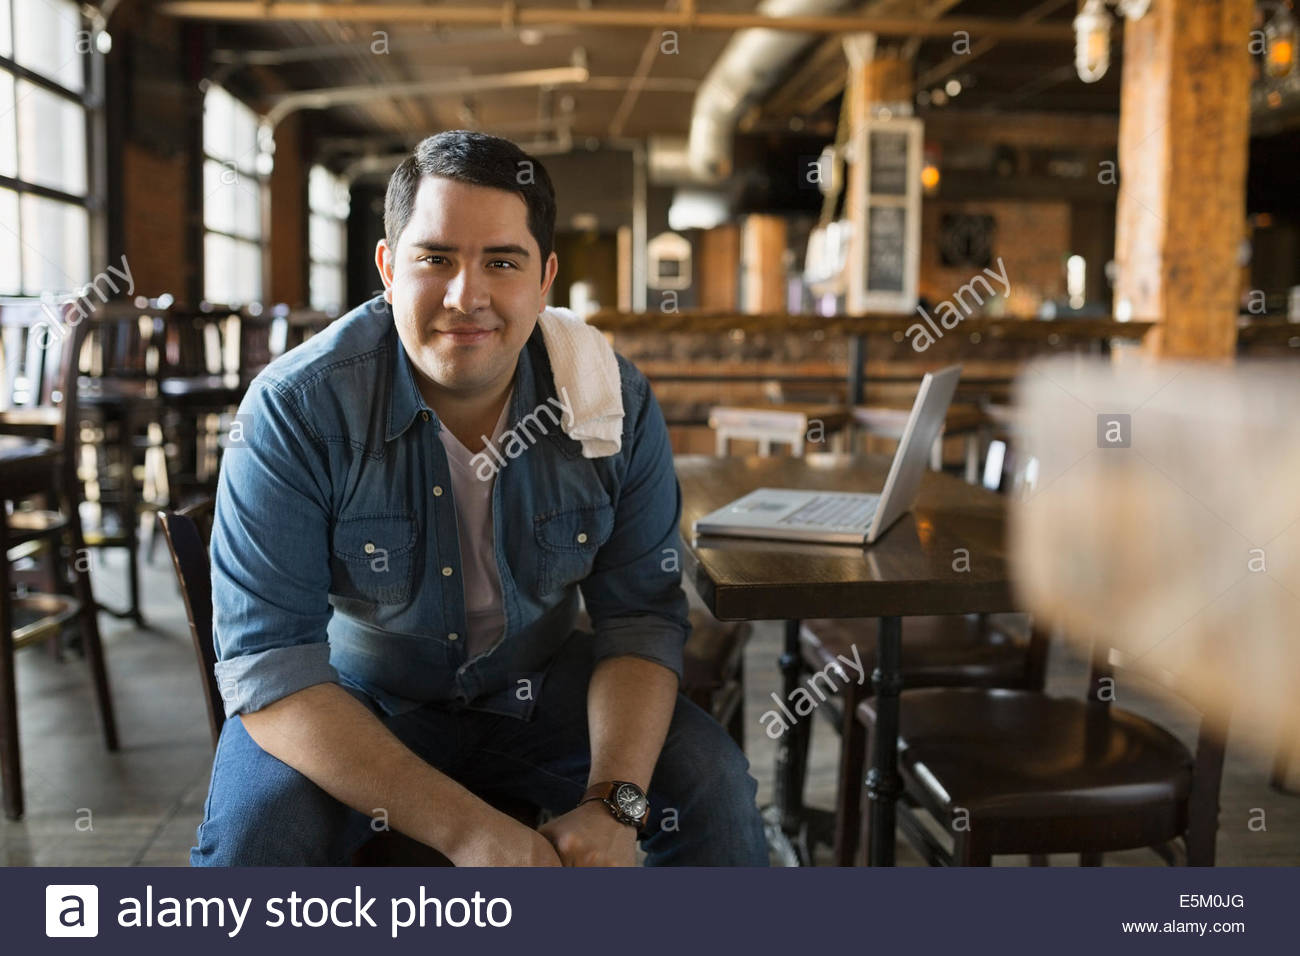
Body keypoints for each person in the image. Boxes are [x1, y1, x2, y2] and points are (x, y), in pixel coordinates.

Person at [190, 130, 769, 866]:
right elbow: (272, 667)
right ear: (388, 269)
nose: (468, 297)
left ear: (545, 278)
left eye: (502, 261)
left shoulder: (610, 404)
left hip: (542, 685)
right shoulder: (296, 409)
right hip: (355, 692)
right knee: (254, 838)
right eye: (435, 258)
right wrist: (468, 828)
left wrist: (613, 804)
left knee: (710, 784)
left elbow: (640, 625)